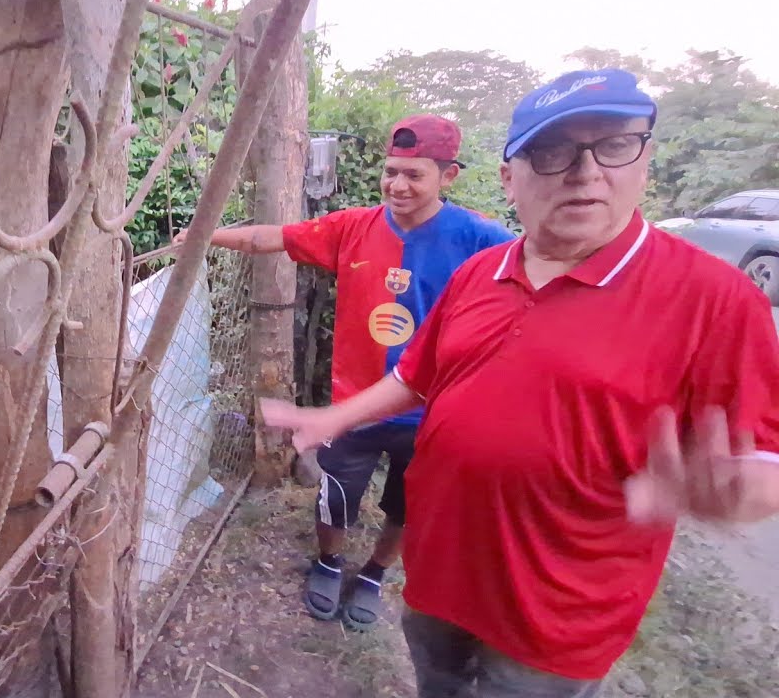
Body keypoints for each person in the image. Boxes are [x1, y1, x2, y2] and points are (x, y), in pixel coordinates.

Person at [262, 69, 779, 697]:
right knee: (437, 682)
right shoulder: (482, 271)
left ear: (646, 158)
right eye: (553, 152)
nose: (585, 172)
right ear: (512, 177)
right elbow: (418, 374)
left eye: (614, 144)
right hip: (440, 573)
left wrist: (733, 494)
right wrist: (334, 418)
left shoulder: (716, 301)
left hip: (555, 618)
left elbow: (759, 464)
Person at [176, 114, 513, 628]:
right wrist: (204, 235)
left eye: (414, 175)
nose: (397, 185)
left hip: (432, 413)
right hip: (351, 406)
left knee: (407, 506)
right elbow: (271, 237)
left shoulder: (481, 240)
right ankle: (330, 561)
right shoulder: (354, 227)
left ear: (449, 176)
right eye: (391, 172)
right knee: (335, 496)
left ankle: (376, 572)